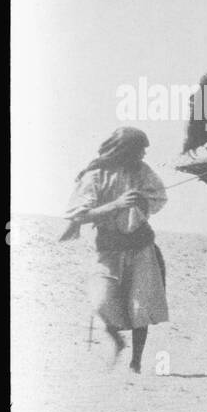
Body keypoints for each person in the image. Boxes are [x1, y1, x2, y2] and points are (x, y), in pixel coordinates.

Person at [61, 126, 169, 373]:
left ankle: (136, 363)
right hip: (108, 247)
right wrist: (116, 205)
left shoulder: (143, 172)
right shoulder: (95, 175)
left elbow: (159, 198)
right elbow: (79, 215)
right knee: (100, 300)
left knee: (141, 306)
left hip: (141, 245)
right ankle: (118, 342)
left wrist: (142, 201)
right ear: (125, 150)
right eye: (140, 150)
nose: (143, 155)